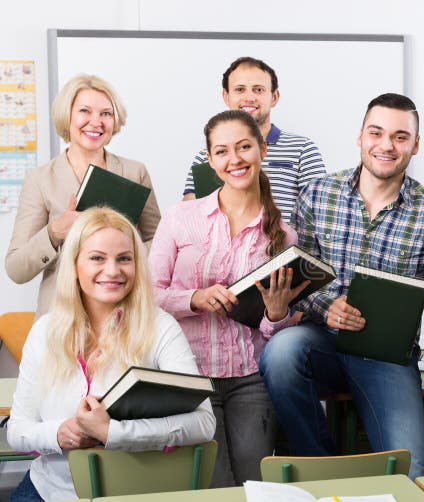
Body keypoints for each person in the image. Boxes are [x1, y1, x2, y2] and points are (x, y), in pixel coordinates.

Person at [260, 93, 424, 479]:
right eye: (376, 132)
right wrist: (327, 307)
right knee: (280, 352)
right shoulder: (318, 194)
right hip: (321, 342)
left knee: (414, 473)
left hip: (386, 357)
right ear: (360, 136)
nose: (386, 145)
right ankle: (324, 469)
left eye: (400, 136)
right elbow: (300, 280)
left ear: (416, 145)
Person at [7, 207, 214, 501]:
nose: (113, 270)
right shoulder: (45, 331)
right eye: (97, 258)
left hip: (133, 491)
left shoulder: (161, 326)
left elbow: (204, 423)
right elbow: (17, 430)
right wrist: (59, 433)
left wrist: (112, 432)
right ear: (75, 265)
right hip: (51, 490)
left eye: (124, 259)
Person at [149, 110, 305, 486]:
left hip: (251, 378)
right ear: (210, 160)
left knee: (255, 481)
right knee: (214, 485)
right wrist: (194, 298)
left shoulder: (283, 236)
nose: (234, 159)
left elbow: (272, 329)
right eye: (222, 151)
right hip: (189, 375)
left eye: (244, 147)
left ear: (262, 149)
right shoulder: (179, 217)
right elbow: (147, 296)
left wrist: (278, 313)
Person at [5, 74, 161, 319]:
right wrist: (55, 231)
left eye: (106, 114)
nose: (95, 122)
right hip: (60, 317)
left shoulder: (134, 172)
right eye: (84, 111)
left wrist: (124, 252)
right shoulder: (40, 179)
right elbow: (16, 269)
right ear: (67, 116)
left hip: (123, 314)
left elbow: (160, 242)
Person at [181, 56, 326, 221]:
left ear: (274, 97)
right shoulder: (208, 156)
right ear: (226, 96)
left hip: (283, 244)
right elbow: (190, 218)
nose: (249, 97)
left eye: (258, 89)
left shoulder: (303, 150)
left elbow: (319, 213)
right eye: (240, 89)